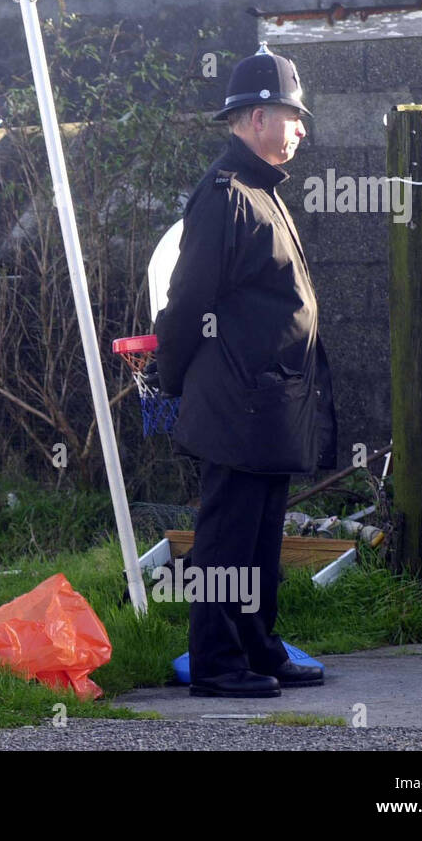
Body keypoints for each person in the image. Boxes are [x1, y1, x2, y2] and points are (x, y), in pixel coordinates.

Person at [151, 43, 338, 698]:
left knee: (260, 540)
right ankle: (218, 662)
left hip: (269, 407)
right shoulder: (224, 196)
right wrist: (169, 380)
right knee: (226, 539)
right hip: (235, 405)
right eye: (293, 114)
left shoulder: (264, 192)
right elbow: (187, 302)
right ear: (258, 117)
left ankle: (258, 648)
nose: (301, 128)